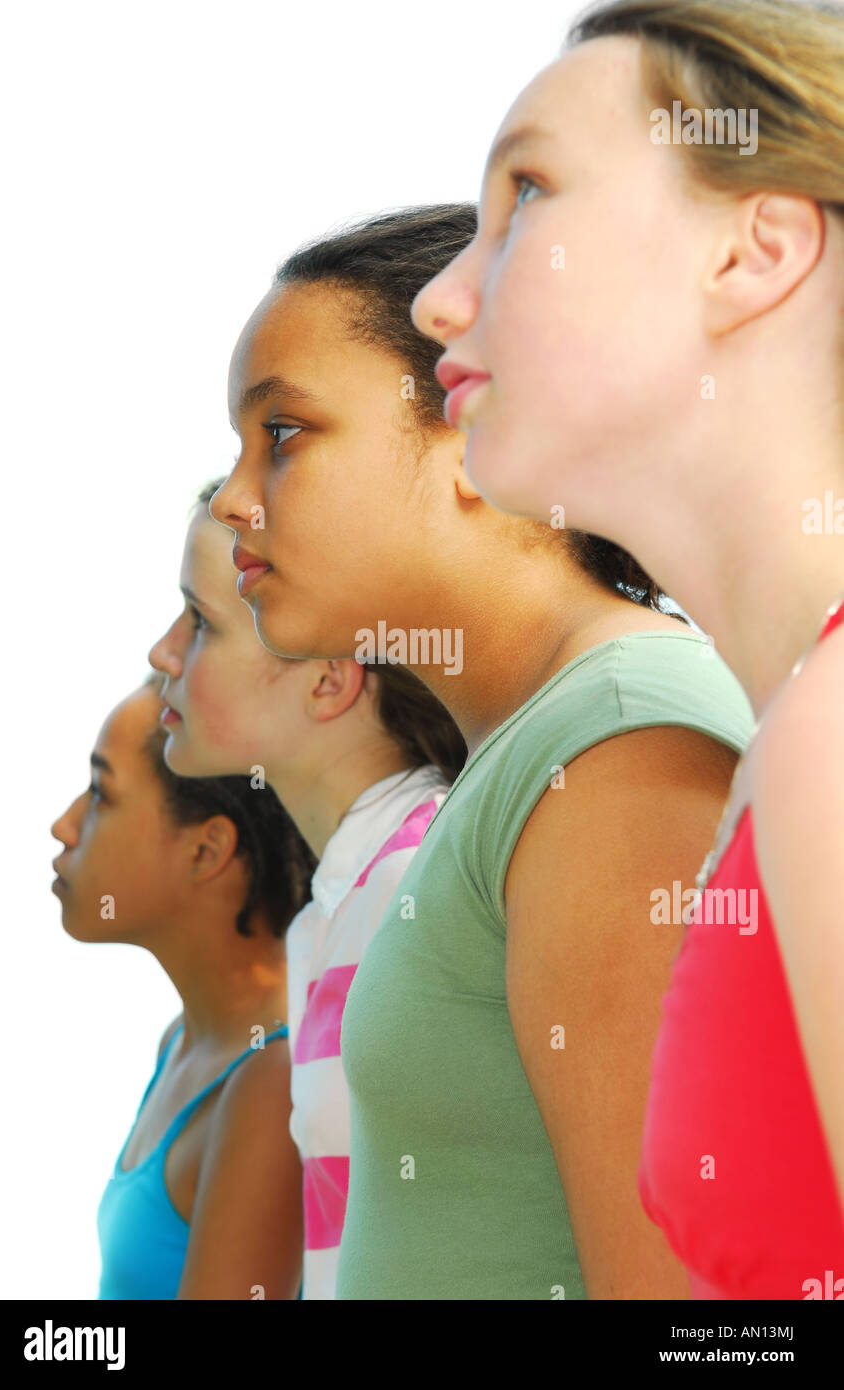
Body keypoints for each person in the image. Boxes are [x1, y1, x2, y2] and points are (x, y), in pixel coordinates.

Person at [209, 204, 756, 1299]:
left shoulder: (619, 741)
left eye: (283, 435)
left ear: (474, 431)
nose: (233, 502)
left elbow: (679, 1301)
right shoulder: (537, 748)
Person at [410, 0, 844, 1298]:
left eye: (527, 191)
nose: (440, 299)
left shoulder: (827, 737)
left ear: (751, 250)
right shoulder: (782, 752)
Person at [148, 480, 464, 1298]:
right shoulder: (332, 913)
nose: (163, 655)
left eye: (203, 622)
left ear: (330, 678)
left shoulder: (416, 883)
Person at [50, 676, 315, 1299]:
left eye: (100, 794)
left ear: (208, 849)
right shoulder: (185, 1041)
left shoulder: (271, 1083)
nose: (63, 827)